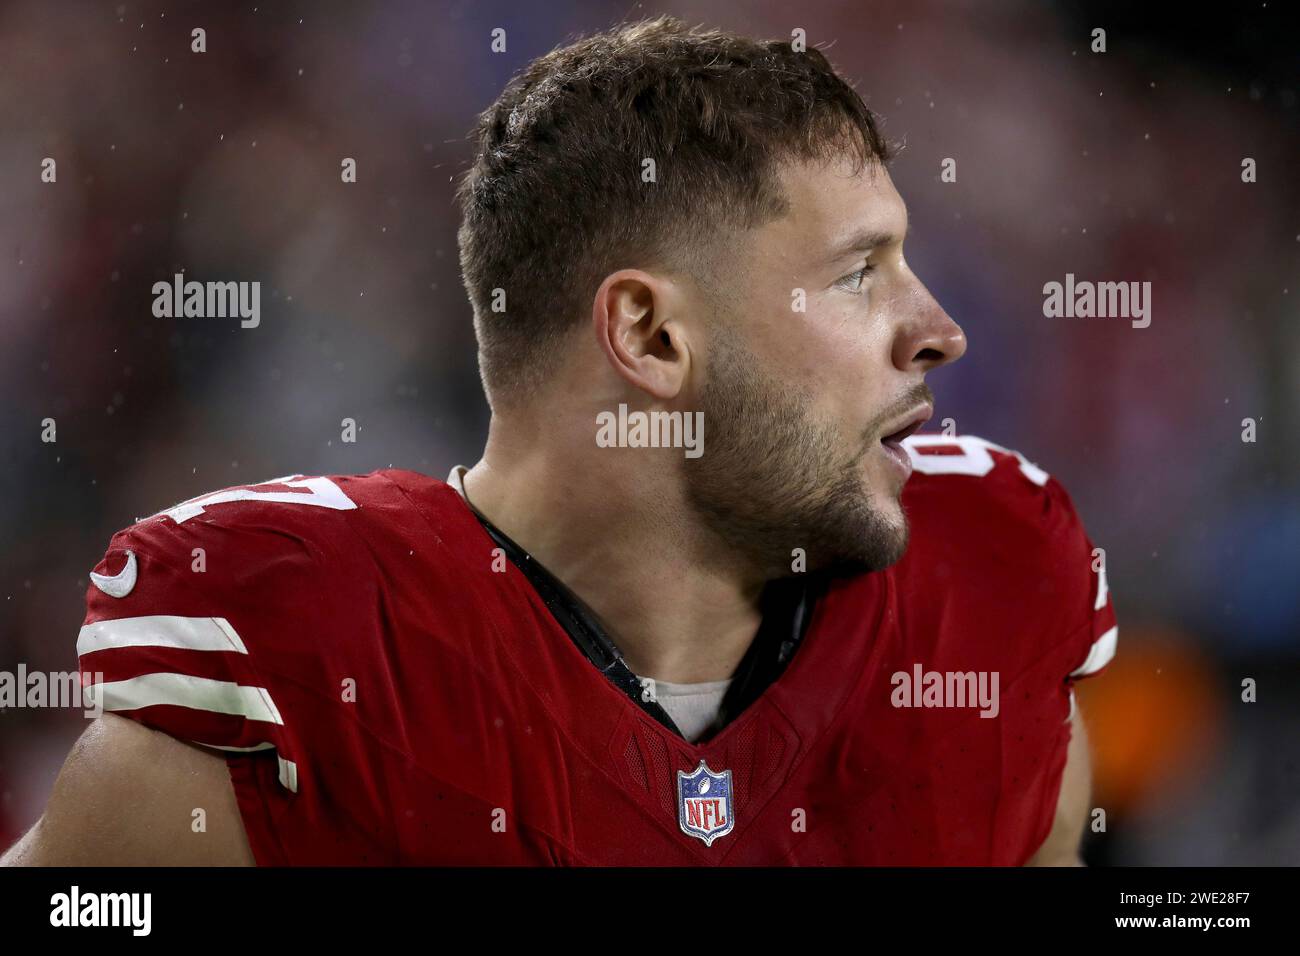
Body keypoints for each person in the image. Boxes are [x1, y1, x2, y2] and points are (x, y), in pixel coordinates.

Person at [2, 16, 1115, 866]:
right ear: (650, 335)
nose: (938, 330)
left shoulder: (985, 600)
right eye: (858, 273)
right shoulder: (308, 666)